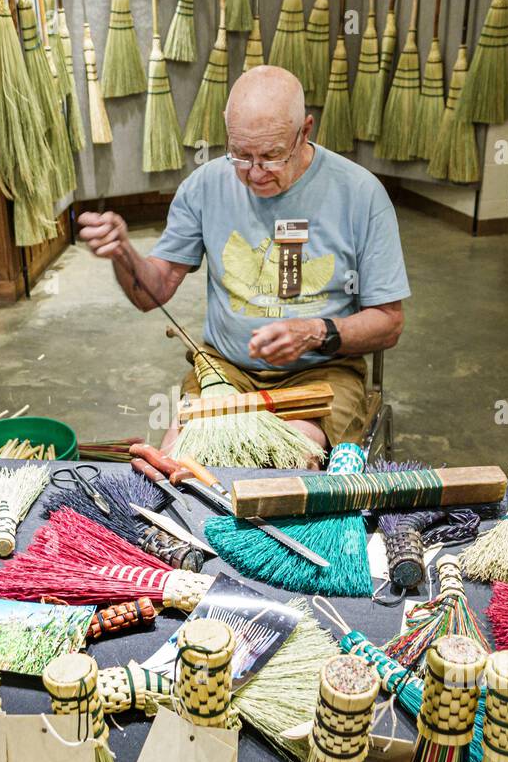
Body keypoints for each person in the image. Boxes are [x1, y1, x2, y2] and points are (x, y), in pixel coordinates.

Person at [77, 65, 408, 465]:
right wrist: (124, 254)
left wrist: (315, 333)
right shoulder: (205, 187)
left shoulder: (359, 194)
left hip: (321, 373)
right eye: (241, 154)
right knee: (179, 461)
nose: (253, 173)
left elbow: (389, 322)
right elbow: (153, 293)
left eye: (270, 157)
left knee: (285, 460)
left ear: (305, 131)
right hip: (226, 369)